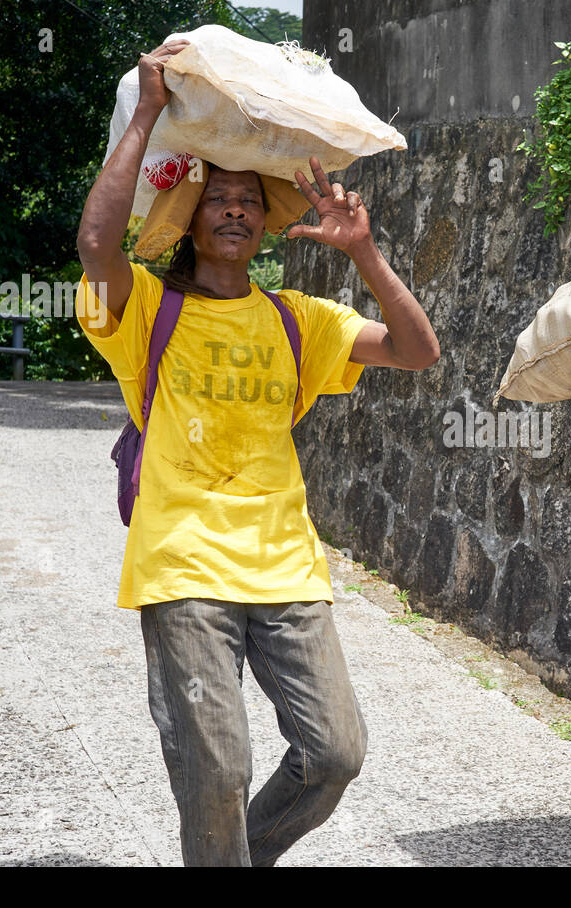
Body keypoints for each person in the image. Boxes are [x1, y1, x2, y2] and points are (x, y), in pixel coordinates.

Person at [74, 40, 439, 866]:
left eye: (248, 199)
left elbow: (418, 352)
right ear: (193, 218)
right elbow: (98, 251)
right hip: (182, 568)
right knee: (218, 772)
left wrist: (365, 255)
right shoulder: (149, 312)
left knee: (335, 754)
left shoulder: (296, 320)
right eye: (218, 198)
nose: (234, 209)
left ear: (266, 221)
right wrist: (147, 114)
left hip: (286, 572)